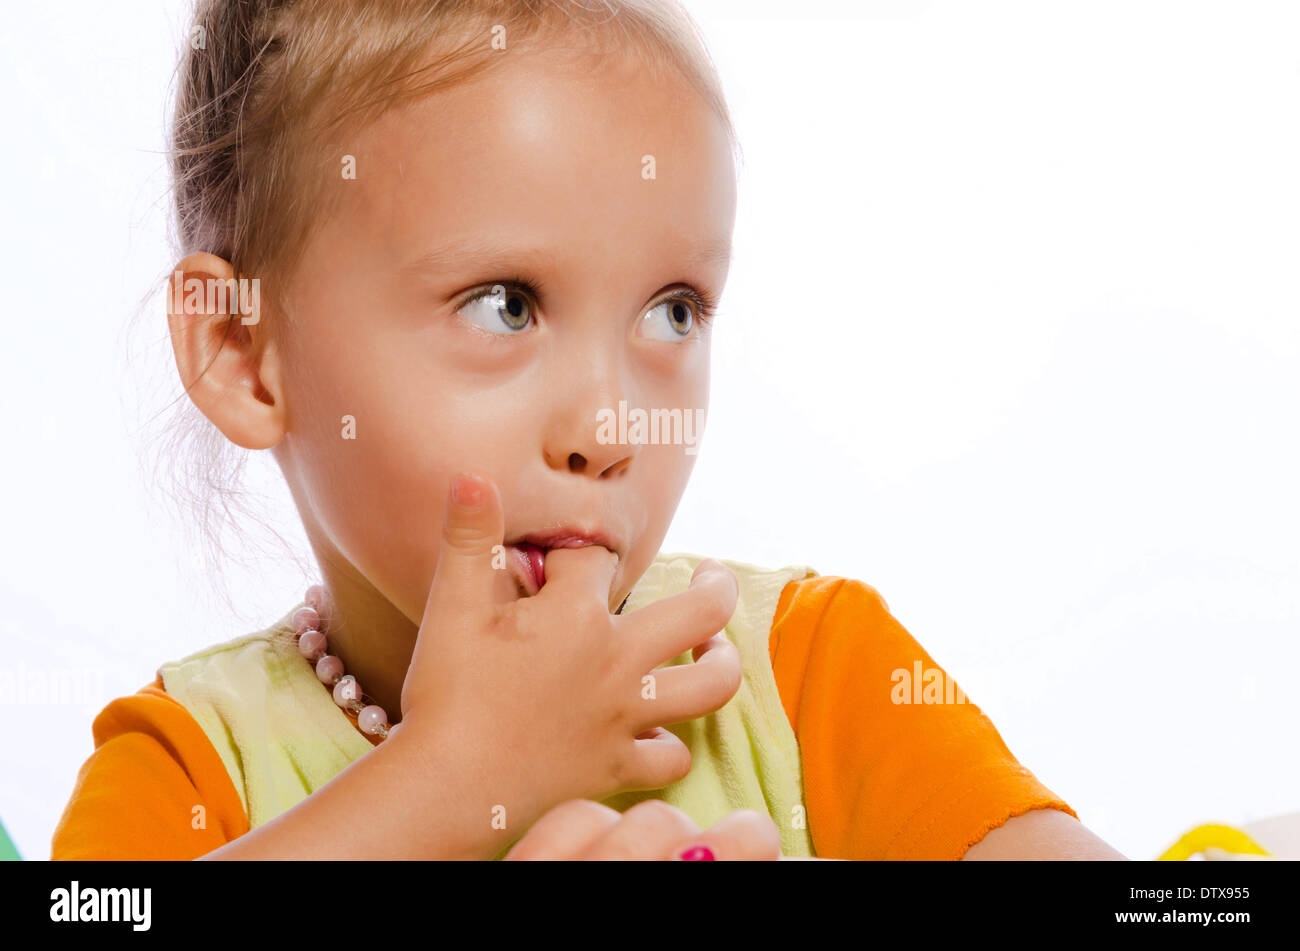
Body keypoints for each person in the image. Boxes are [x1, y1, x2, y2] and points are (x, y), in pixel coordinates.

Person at [51, 0, 1124, 861]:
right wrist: (455, 781)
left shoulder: (811, 672)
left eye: (672, 310)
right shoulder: (191, 768)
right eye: (505, 303)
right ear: (244, 353)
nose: (612, 426)